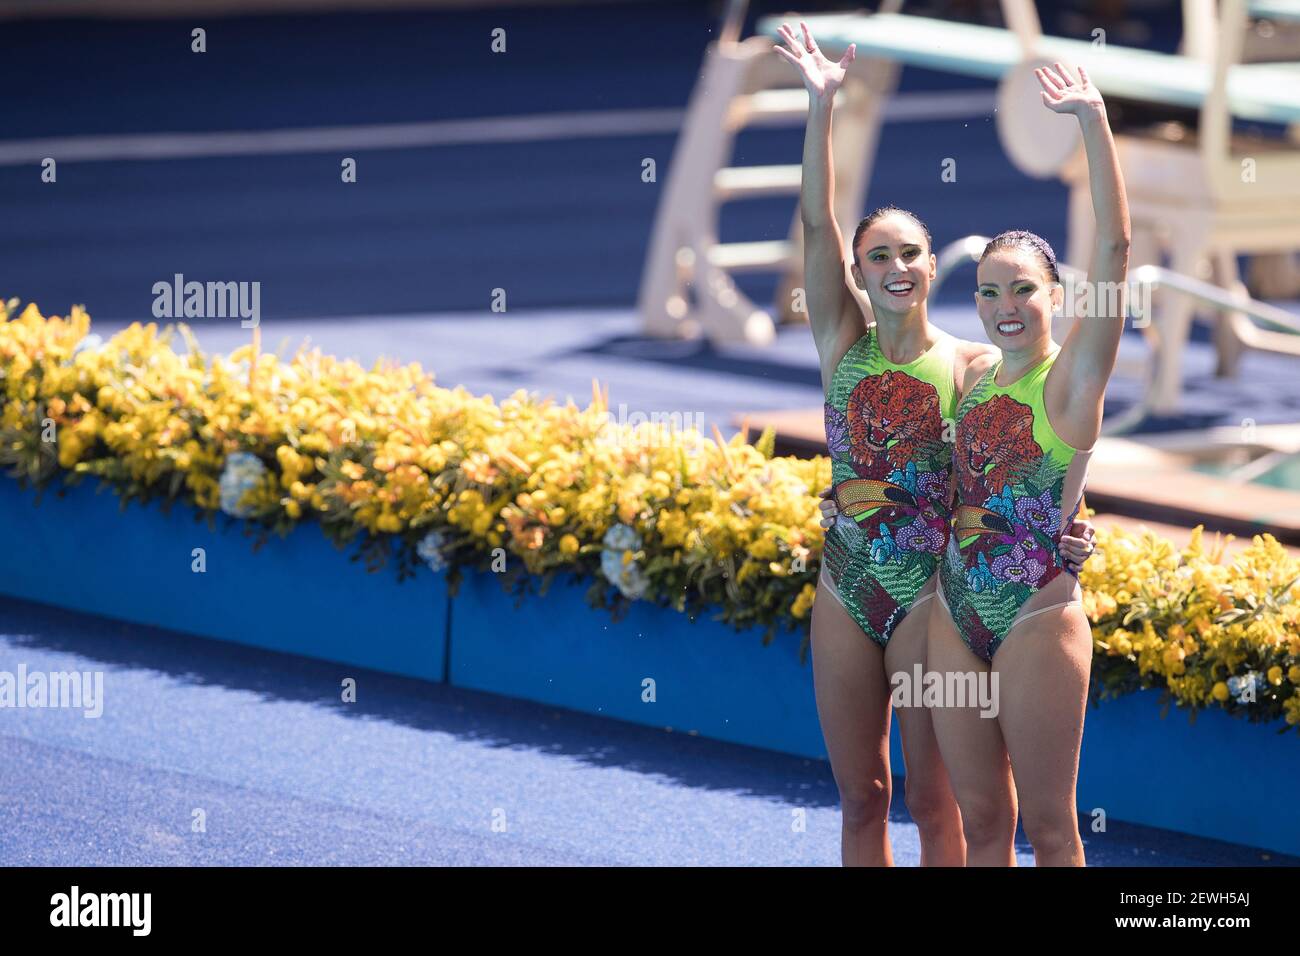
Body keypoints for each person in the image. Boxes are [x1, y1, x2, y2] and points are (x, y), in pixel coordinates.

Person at [774, 22, 1096, 866]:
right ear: (857, 267)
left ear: (929, 265)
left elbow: (1032, 452)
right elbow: (815, 222)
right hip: (847, 582)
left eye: (909, 252)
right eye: (876, 253)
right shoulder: (842, 340)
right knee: (860, 795)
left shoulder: (974, 364)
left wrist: (1071, 522)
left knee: (933, 798)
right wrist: (822, 104)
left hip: (932, 603)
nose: (894, 265)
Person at [927, 62, 1130, 866]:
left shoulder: (1073, 383)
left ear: (1057, 294)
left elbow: (1115, 246)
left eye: (1023, 290)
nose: (1005, 307)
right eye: (987, 292)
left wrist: (1093, 122)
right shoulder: (970, 375)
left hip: (1037, 620)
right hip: (954, 614)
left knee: (1049, 829)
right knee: (980, 822)